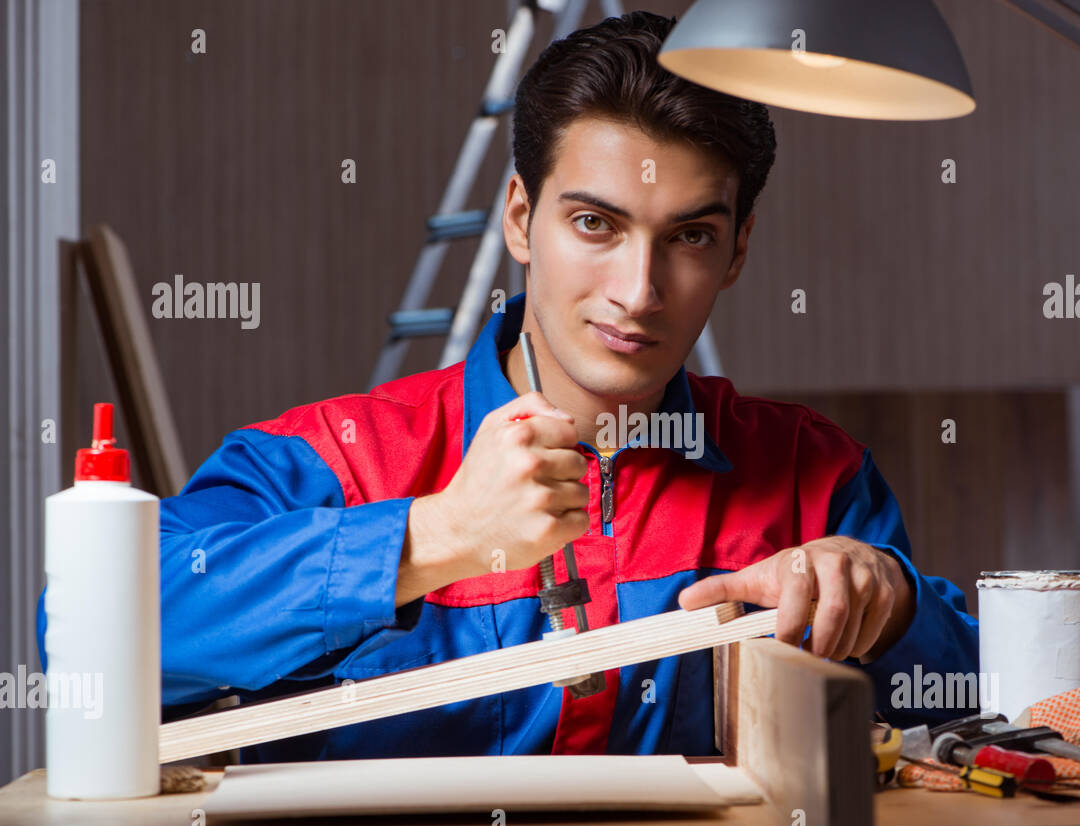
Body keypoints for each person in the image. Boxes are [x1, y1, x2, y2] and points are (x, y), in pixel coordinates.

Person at [37, 11, 978, 760]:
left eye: (689, 236)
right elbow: (85, 634)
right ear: (522, 220)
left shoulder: (814, 476)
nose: (638, 291)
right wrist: (432, 536)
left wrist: (893, 607)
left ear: (737, 251)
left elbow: (995, 708)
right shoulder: (339, 459)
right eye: (596, 224)